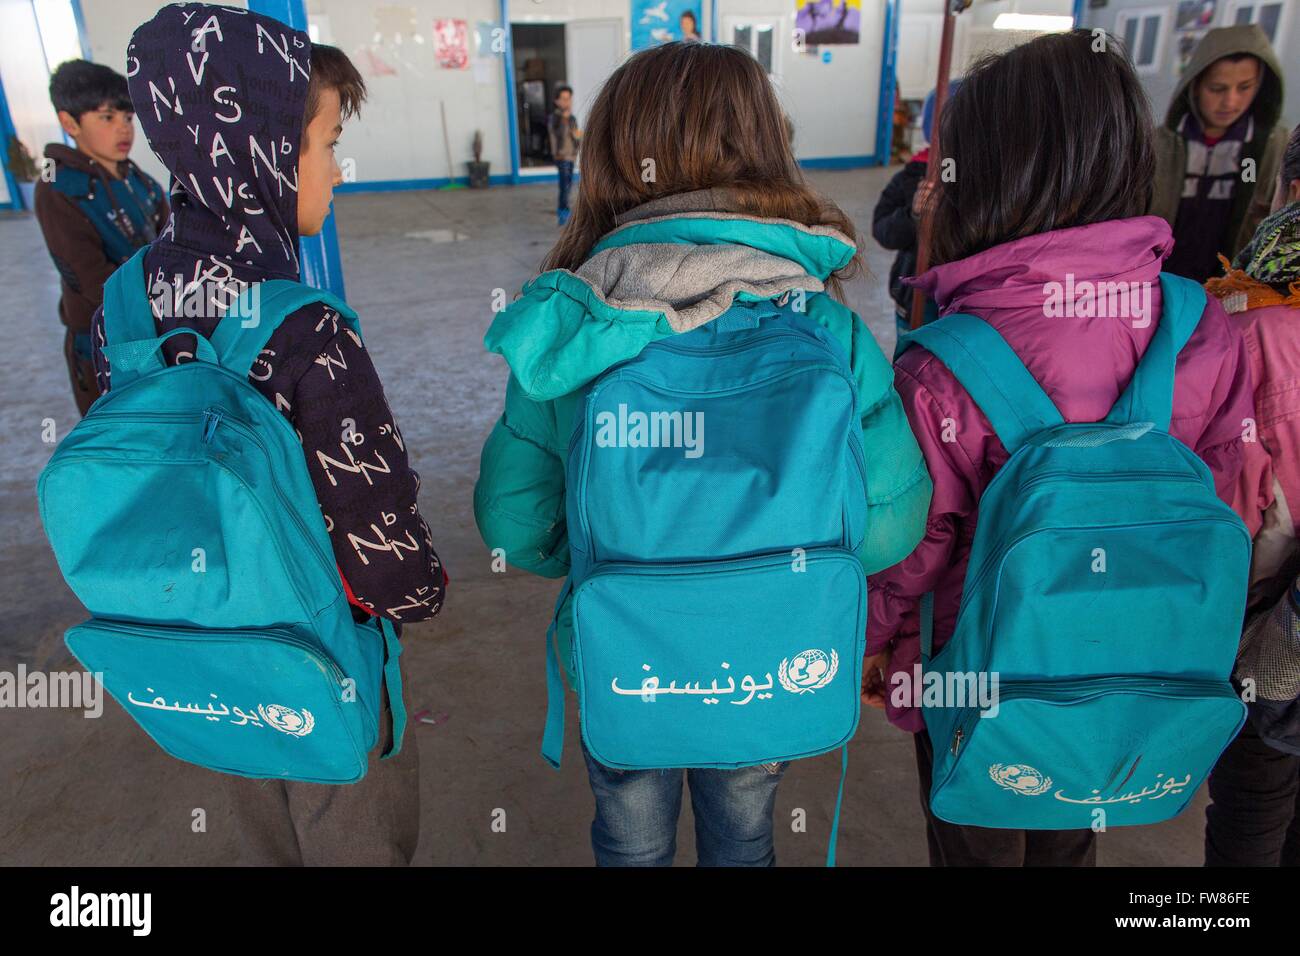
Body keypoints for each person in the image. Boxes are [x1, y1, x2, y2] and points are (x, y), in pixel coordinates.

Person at [474, 41, 930, 866]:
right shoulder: (825, 324)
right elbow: (892, 525)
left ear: (610, 155)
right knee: (746, 829)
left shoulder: (572, 325)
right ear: (769, 145)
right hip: (769, 652)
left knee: (630, 834)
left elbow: (513, 523)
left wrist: (598, 549)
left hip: (628, 654)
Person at [865, 29, 1254, 867]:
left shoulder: (947, 360)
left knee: (972, 837)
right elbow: (1225, 498)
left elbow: (915, 544)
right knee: (1073, 827)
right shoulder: (1200, 325)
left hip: (978, 673)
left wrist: (872, 636)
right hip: (1142, 663)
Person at [94, 3, 446, 865]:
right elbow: (375, 529)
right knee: (349, 823)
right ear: (259, 149)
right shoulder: (306, 325)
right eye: (325, 144)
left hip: (195, 645)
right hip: (316, 655)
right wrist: (422, 591)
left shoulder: (122, 300)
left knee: (252, 824)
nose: (335, 169)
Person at [1204, 124, 1300, 866]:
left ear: (1289, 192)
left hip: (1275, 639)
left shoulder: (1250, 325)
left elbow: (1238, 512)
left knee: (1257, 796)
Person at [34, 59, 168, 415]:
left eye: (127, 118)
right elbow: (92, 279)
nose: (123, 129)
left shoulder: (141, 183)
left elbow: (174, 248)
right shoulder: (58, 188)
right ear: (69, 122)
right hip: (102, 344)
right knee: (118, 442)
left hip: (154, 335)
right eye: (107, 117)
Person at [1150, 25, 1288, 283]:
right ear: (1194, 86)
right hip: (1161, 286)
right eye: (1217, 88)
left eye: (1245, 87)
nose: (1231, 102)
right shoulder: (1159, 145)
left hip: (1234, 292)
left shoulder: (1275, 147)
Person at [872, 83, 954, 347]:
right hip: (914, 300)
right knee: (909, 369)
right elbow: (883, 230)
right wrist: (914, 215)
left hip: (959, 306)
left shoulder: (984, 183)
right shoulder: (912, 175)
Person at [548, 85, 581, 226]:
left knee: (568, 183)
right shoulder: (554, 118)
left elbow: (576, 136)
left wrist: (578, 138)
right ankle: (563, 212)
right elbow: (556, 135)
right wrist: (564, 120)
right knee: (565, 186)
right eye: (564, 99)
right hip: (561, 156)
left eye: (569, 99)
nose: (567, 102)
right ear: (557, 101)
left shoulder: (572, 118)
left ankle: (564, 210)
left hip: (571, 155)